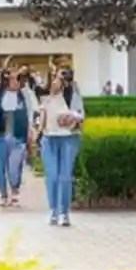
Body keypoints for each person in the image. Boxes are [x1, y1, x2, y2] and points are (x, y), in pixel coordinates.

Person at [0, 69, 38, 208]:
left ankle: (14, 189)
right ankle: (3, 194)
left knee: (15, 166)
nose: (15, 82)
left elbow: (32, 112)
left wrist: (31, 130)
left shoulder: (25, 95)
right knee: (0, 167)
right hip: (1, 136)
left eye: (17, 79)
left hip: (18, 137)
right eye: (11, 79)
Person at [39, 71, 85, 226]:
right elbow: (39, 115)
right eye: (56, 78)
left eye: (61, 79)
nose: (57, 82)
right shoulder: (46, 95)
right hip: (49, 138)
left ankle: (64, 212)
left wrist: (71, 117)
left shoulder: (73, 95)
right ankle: (53, 210)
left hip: (69, 138)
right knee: (52, 175)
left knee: (65, 176)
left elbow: (80, 115)